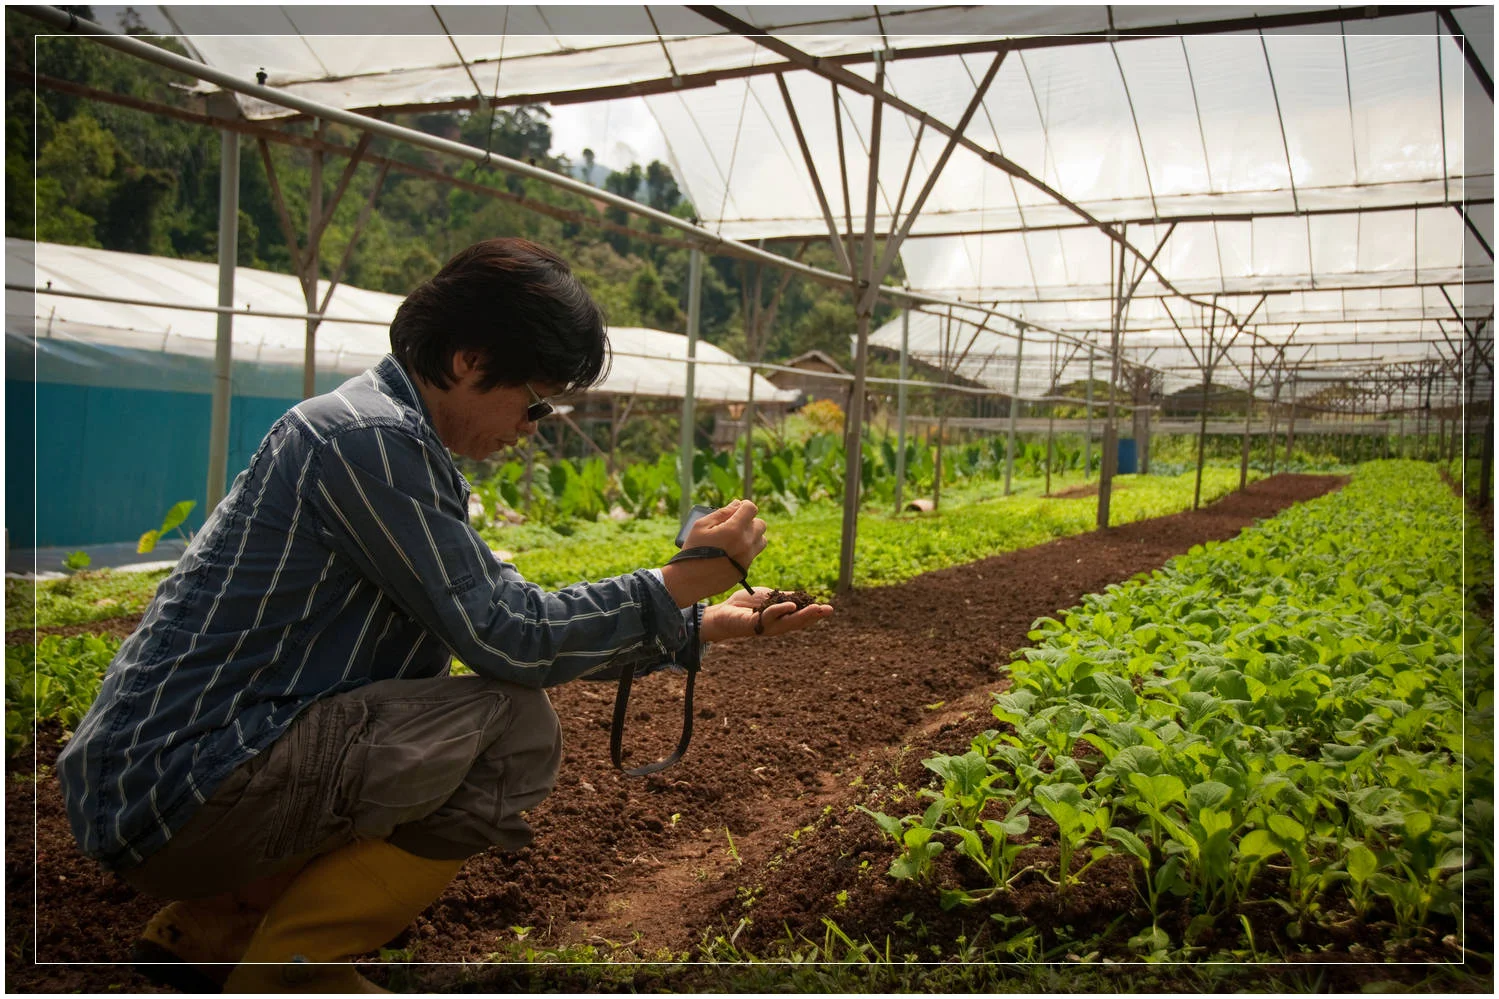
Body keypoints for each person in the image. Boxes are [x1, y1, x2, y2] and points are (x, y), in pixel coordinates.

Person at [55, 237, 833, 993]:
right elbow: (513, 640)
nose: (531, 430)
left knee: (459, 718)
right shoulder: (367, 442)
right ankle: (285, 975)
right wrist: (683, 576)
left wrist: (701, 622)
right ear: (468, 360)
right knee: (511, 730)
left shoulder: (393, 447)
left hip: (179, 780)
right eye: (534, 405)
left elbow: (511, 619)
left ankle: (216, 930)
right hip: (176, 790)